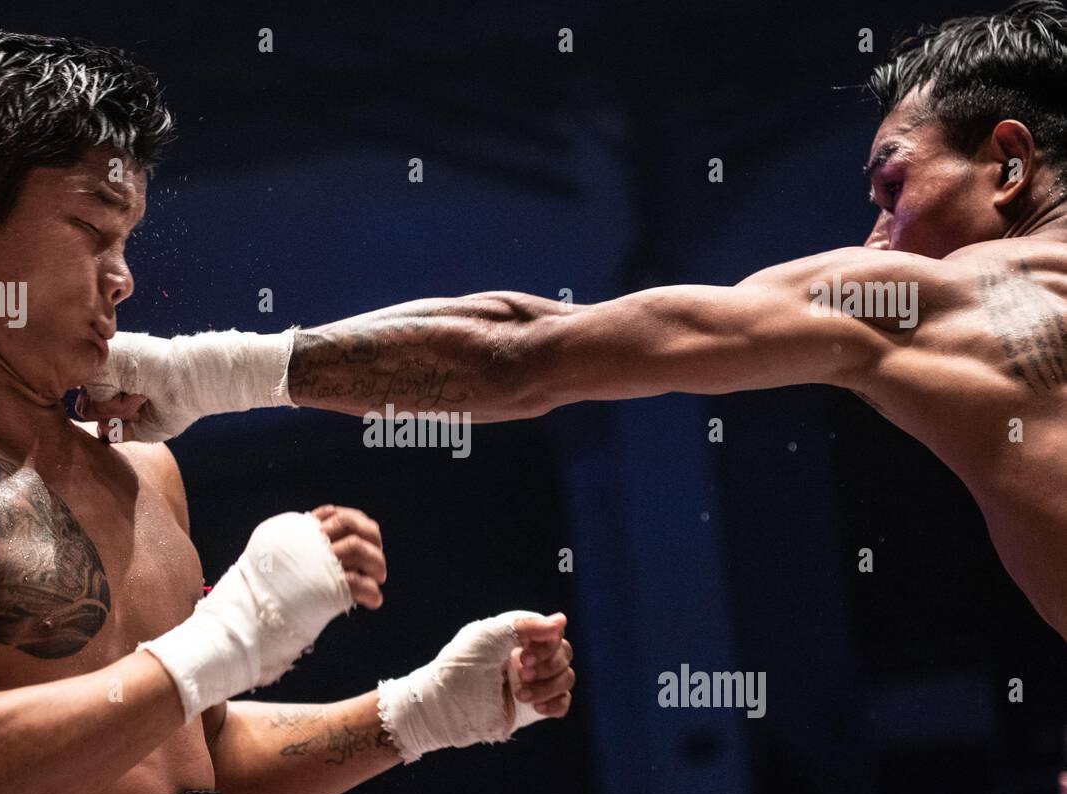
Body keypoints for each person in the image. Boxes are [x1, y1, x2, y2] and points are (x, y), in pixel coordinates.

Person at [0, 31, 575, 794]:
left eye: (126, 242)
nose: (121, 278)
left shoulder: (141, 467)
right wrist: (227, 638)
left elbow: (194, 757)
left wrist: (419, 712)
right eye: (90, 228)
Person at [87, 0, 1067, 641]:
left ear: (1010, 163)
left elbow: (526, 353)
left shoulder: (936, 301)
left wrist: (193, 375)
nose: (878, 239)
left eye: (892, 185)